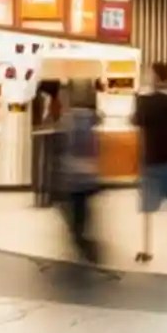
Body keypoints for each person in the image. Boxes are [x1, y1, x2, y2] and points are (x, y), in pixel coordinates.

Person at [132, 62, 167, 260]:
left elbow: (136, 122)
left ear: (153, 77)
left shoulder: (144, 103)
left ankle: (146, 248)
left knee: (147, 207)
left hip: (150, 159)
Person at [58, 79, 102, 264]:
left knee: (75, 214)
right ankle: (85, 245)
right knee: (83, 213)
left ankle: (83, 246)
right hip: (88, 175)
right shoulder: (90, 119)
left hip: (74, 176)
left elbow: (68, 147)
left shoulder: (71, 120)